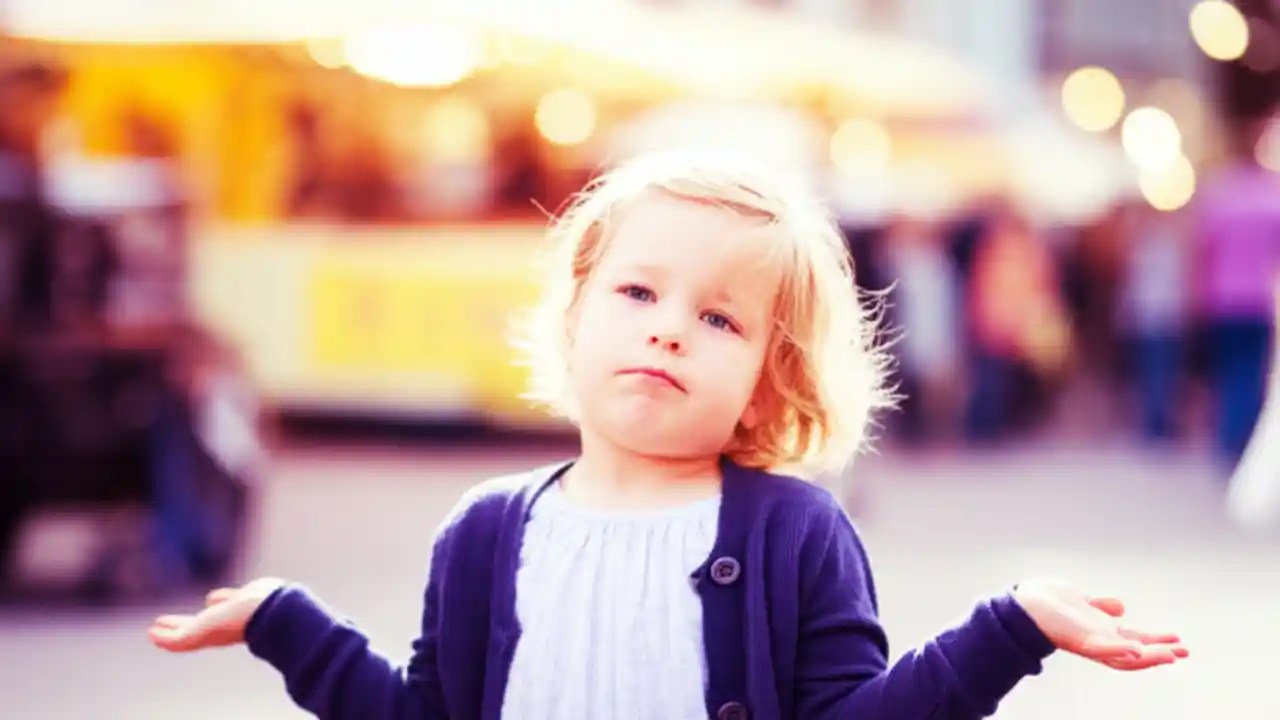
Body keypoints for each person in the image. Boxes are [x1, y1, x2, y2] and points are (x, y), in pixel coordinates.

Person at [147, 152, 1187, 719]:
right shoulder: (482, 533)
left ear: (762, 383)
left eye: (719, 318)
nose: (666, 326)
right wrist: (286, 622)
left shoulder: (796, 533)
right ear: (573, 315)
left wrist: (1008, 629)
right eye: (638, 289)